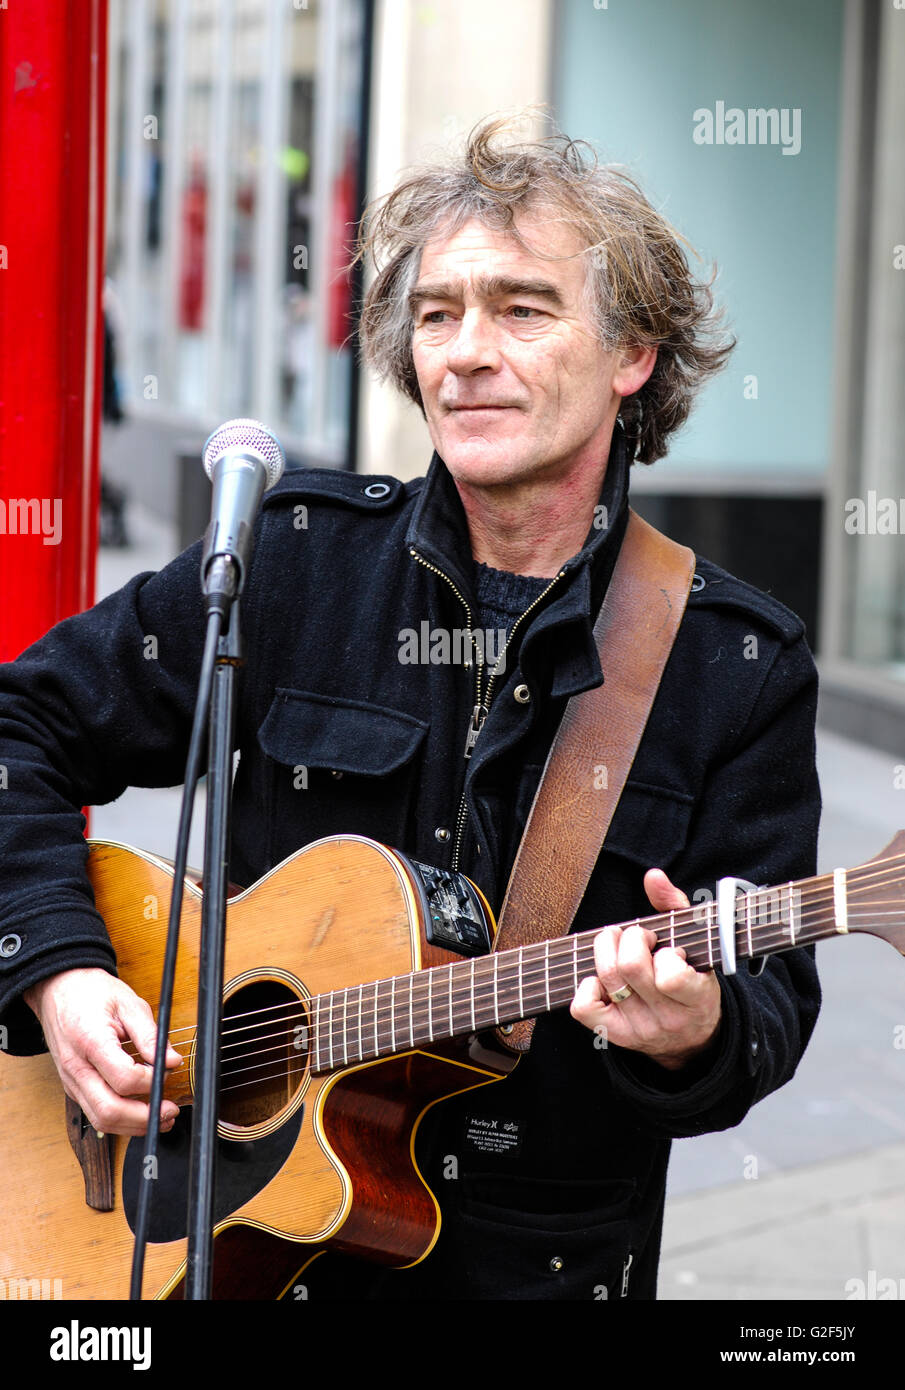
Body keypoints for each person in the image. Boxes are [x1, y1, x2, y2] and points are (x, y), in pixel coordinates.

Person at [0, 115, 820, 1300]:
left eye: (521, 309)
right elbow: (21, 728)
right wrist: (62, 972)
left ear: (631, 351)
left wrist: (693, 1031)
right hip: (229, 1249)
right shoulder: (286, 561)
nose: (464, 352)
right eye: (436, 313)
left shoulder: (729, 662)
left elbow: (769, 1007)